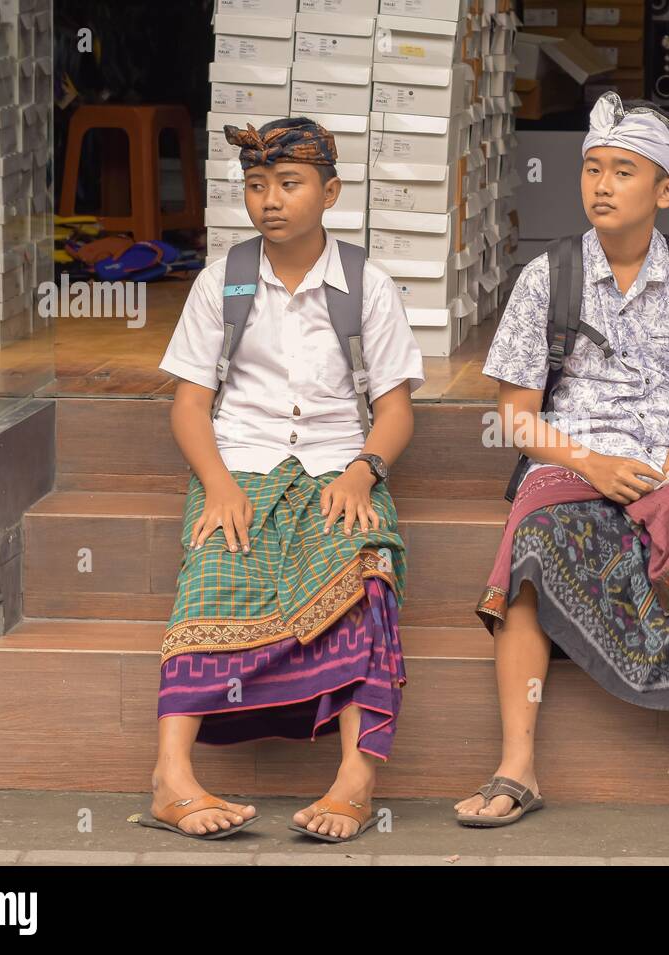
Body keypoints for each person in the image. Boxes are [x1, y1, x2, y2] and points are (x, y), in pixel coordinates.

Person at [455, 92, 669, 834]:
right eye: (592, 169)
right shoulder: (549, 277)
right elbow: (516, 416)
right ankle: (517, 763)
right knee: (530, 551)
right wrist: (592, 464)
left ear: (666, 189)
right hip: (571, 455)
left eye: (623, 172)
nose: (601, 185)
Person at [140, 117, 424, 843]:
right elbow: (190, 406)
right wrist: (218, 484)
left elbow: (393, 411)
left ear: (330, 192)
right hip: (240, 463)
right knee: (209, 567)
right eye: (257, 185)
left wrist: (364, 471)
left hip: (338, 464)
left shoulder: (366, 283)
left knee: (367, 573)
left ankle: (355, 778)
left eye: (289, 184)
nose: (270, 200)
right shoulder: (222, 281)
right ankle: (171, 776)